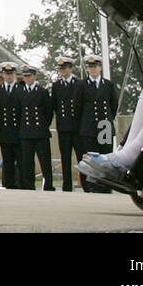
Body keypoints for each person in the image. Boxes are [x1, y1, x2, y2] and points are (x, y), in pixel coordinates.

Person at [75, 54, 118, 193]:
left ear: (100, 68)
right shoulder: (81, 85)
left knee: (105, 156)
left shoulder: (108, 85)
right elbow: (77, 106)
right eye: (90, 67)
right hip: (88, 126)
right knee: (90, 156)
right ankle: (89, 185)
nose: (92, 69)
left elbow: (113, 105)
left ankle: (105, 185)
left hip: (104, 125)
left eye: (95, 67)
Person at [17, 66, 55, 191]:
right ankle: (29, 185)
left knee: (45, 161)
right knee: (27, 162)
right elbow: (18, 113)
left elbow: (48, 112)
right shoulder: (20, 92)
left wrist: (43, 126)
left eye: (29, 76)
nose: (27, 78)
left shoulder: (42, 92)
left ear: (35, 76)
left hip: (40, 132)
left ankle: (48, 184)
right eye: (25, 76)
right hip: (26, 132)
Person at [50, 56, 82, 192]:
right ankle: (67, 185)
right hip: (63, 127)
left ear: (71, 68)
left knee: (81, 157)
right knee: (65, 157)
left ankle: (85, 183)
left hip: (77, 127)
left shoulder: (79, 84)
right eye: (60, 69)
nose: (62, 71)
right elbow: (55, 105)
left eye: (65, 68)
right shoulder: (57, 85)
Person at [0, 61, 23, 188]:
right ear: (3, 75)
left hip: (19, 131)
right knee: (7, 160)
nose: (9, 76)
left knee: (20, 160)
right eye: (6, 74)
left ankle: (20, 183)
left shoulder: (21, 89)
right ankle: (8, 183)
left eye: (11, 74)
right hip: (5, 131)